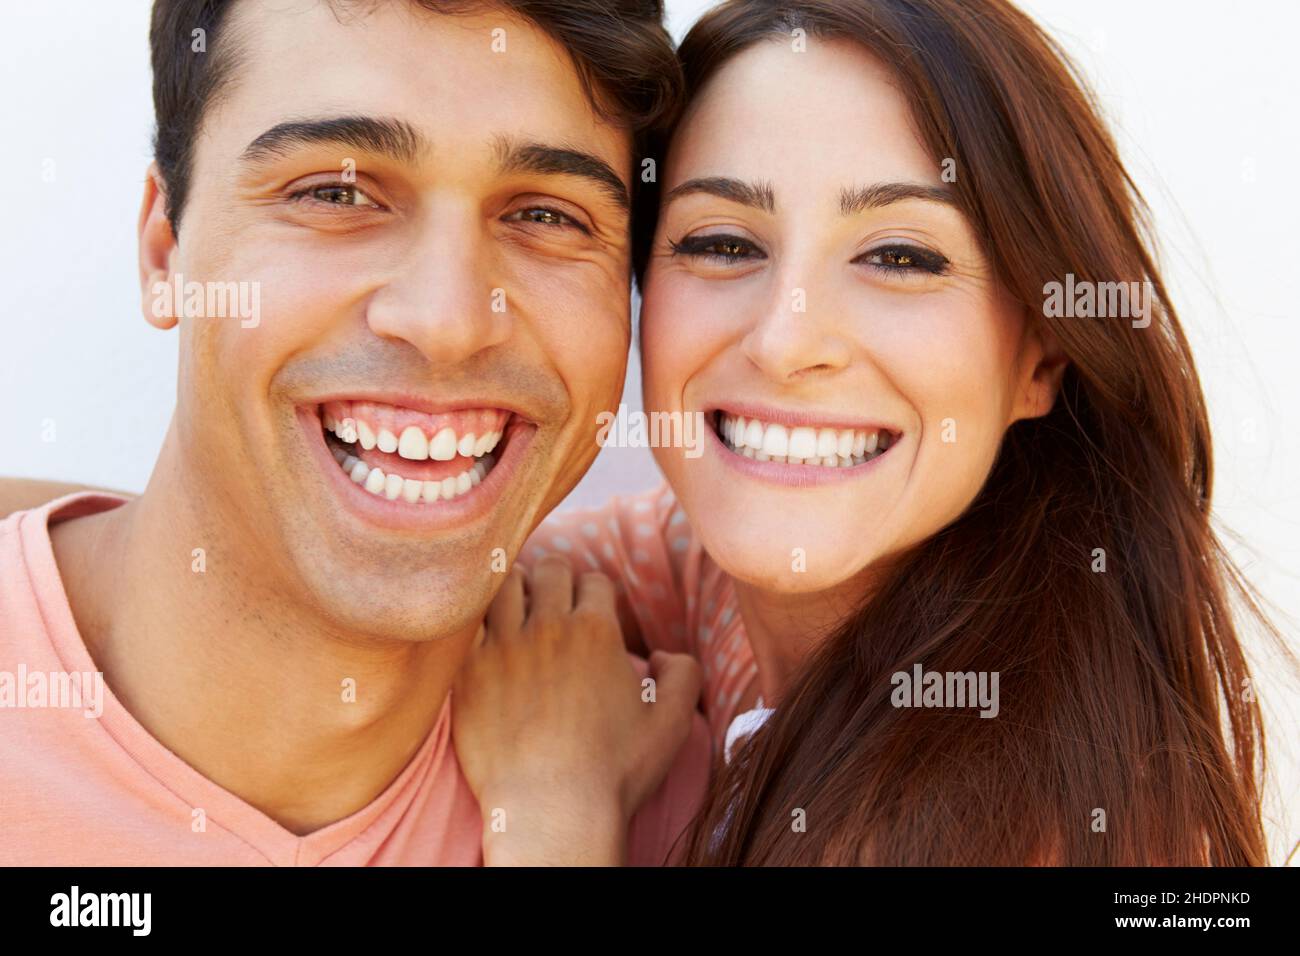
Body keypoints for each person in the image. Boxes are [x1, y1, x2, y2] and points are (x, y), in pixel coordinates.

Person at [459, 0, 1288, 865]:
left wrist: (553, 810)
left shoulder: (1010, 829)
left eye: (901, 257)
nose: (786, 342)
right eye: (723, 243)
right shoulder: (740, 591)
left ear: (1041, 359)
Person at [0, 0, 711, 867]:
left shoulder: (688, 806)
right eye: (334, 193)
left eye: (546, 216)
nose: (449, 320)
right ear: (164, 249)